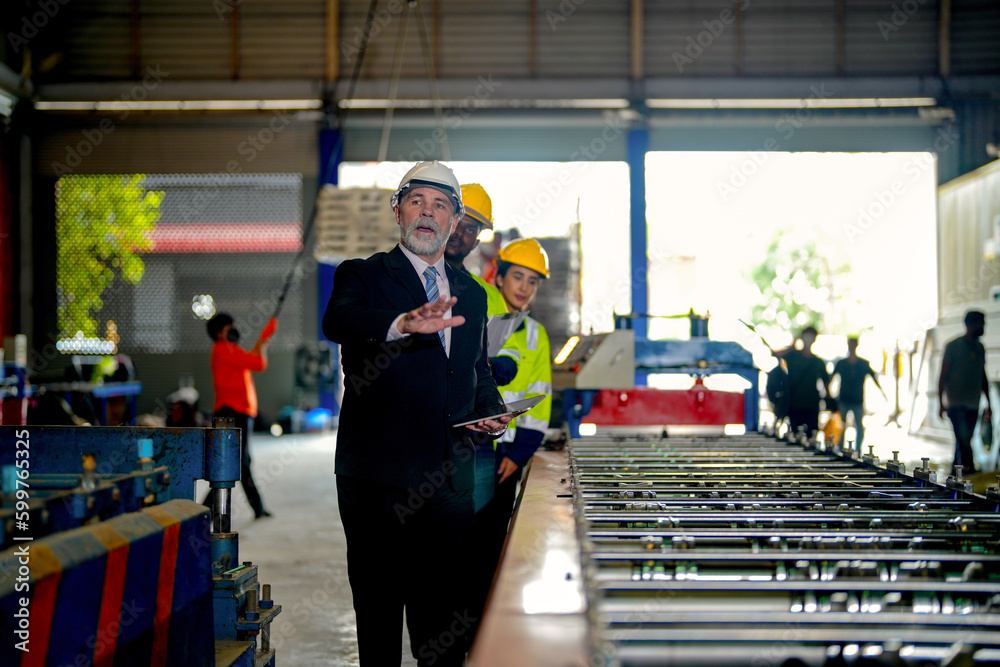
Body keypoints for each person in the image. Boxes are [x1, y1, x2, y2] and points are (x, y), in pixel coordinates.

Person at [322, 160, 511, 667]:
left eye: (441, 205)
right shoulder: (363, 275)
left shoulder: (471, 292)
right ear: (399, 211)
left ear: (454, 222)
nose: (428, 213)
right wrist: (402, 323)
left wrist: (491, 411)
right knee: (380, 618)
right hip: (377, 483)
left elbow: (478, 368)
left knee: (442, 624)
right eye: (417, 201)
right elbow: (338, 320)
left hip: (449, 482)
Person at [472, 238, 553, 618]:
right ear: (499, 277)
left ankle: (481, 629)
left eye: (532, 281)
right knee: (459, 541)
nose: (524, 287)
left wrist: (519, 455)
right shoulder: (479, 305)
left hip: (505, 457)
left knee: (490, 543)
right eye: (517, 276)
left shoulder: (536, 334)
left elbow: (540, 399)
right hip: (468, 447)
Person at [445, 183, 519, 513]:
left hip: (474, 436)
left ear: (478, 239)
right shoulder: (413, 283)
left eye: (471, 228)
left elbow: (509, 361)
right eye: (458, 221)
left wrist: (492, 367)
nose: (461, 233)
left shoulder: (485, 295)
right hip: (422, 439)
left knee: (474, 533)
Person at [203, 312, 276, 519]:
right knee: (232, 463)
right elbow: (258, 363)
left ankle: (255, 508)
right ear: (220, 332)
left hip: (239, 412)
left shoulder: (230, 349)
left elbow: (254, 358)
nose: (235, 329)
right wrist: (263, 339)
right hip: (231, 412)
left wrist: (265, 338)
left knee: (238, 462)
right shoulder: (223, 349)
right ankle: (205, 512)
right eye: (230, 326)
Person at [938, 310, 992, 474]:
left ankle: (955, 474)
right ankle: (969, 472)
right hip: (956, 403)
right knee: (963, 440)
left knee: (963, 441)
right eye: (980, 323)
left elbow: (983, 376)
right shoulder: (953, 347)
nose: (983, 327)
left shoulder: (980, 348)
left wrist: (989, 403)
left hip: (973, 403)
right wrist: (941, 402)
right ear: (969, 325)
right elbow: (943, 375)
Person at [775, 326, 831, 437]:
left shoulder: (818, 362)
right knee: (795, 436)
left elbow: (826, 384)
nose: (808, 339)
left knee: (811, 437)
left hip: (812, 405)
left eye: (811, 337)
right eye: (806, 336)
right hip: (794, 405)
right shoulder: (793, 356)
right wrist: (793, 344)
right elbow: (776, 355)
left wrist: (830, 403)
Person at [831, 335, 885, 450]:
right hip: (844, 399)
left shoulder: (863, 364)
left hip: (857, 400)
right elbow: (831, 379)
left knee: (859, 427)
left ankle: (857, 450)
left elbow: (874, 377)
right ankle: (840, 448)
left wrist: (883, 393)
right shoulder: (842, 363)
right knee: (842, 426)